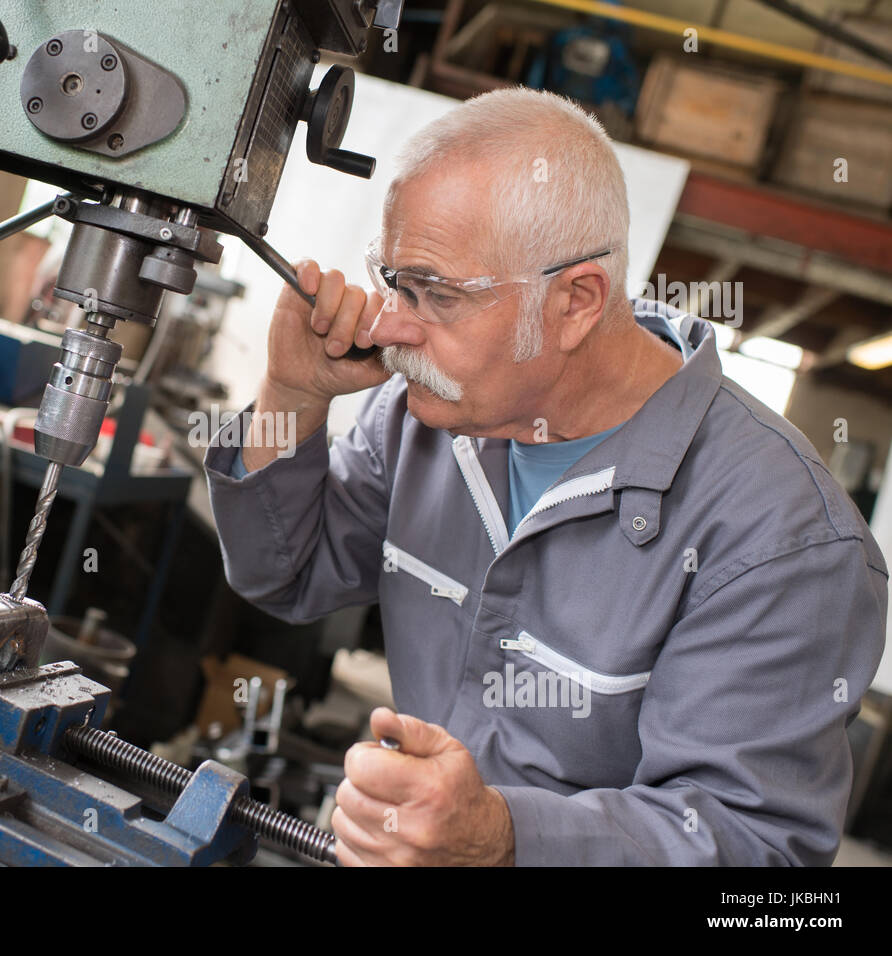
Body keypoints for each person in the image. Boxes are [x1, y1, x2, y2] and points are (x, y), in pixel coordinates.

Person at [202, 88, 888, 865]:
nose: (392, 325)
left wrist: (503, 839)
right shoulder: (421, 415)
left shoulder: (785, 541)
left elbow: (756, 853)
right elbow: (283, 578)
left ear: (576, 302)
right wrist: (289, 400)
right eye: (394, 283)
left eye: (437, 294)